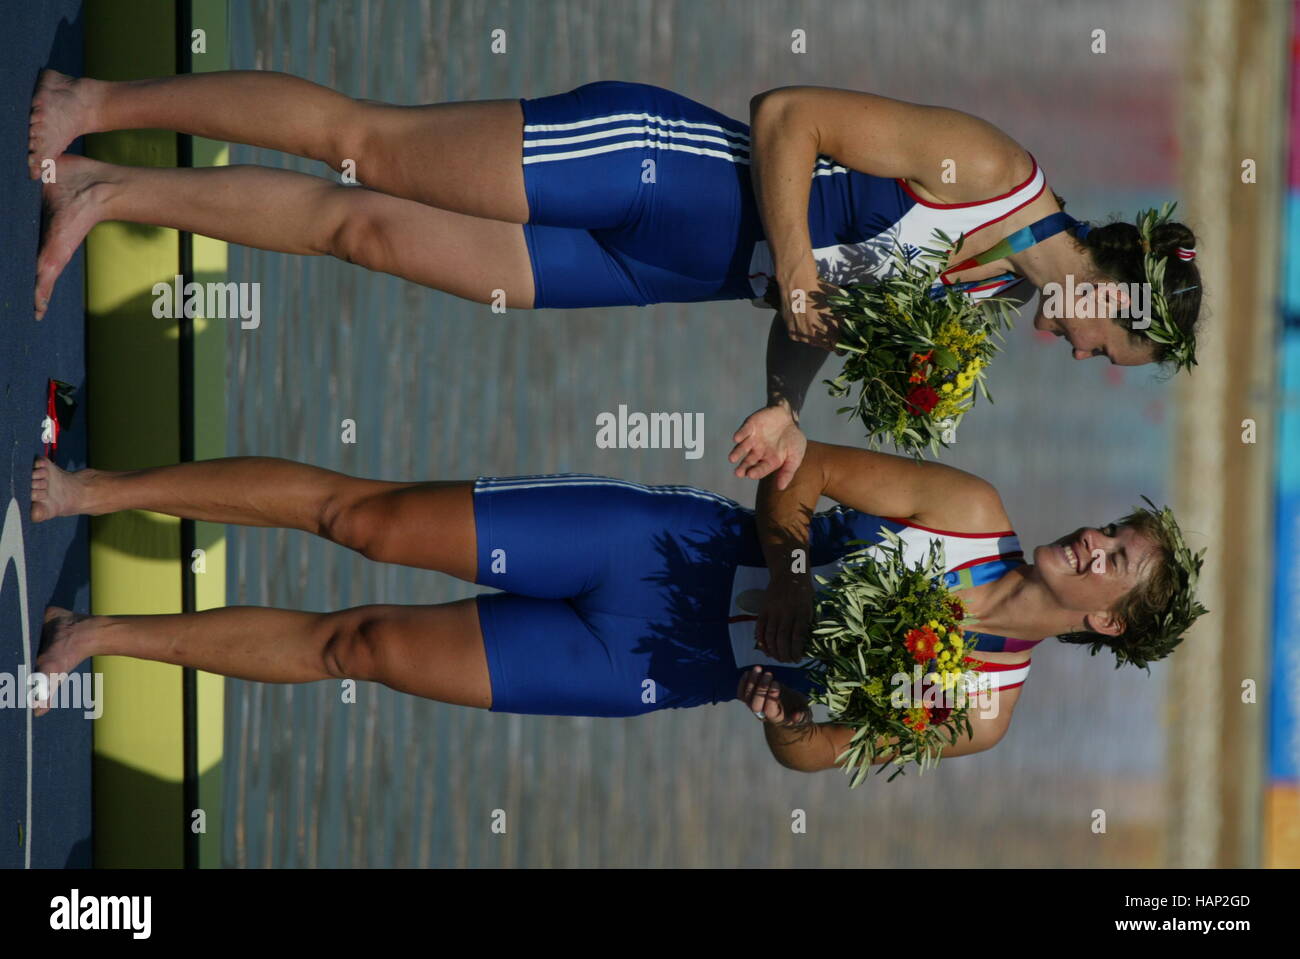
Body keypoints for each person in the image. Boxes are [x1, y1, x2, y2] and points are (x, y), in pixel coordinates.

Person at [28, 73, 1201, 469]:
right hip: (656, 170)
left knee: (367, 234)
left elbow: (819, 311)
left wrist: (784, 406)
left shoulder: (995, 294)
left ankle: (116, 194)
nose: (1096, 355)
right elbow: (789, 115)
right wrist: (794, 262)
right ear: (1116, 282)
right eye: (1120, 340)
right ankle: (100, 105)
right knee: (368, 144)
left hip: (664, 273)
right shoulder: (990, 171)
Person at [28, 444, 1203, 773]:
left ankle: (105, 636)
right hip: (654, 545)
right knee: (364, 516)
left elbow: (815, 752)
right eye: (1115, 528)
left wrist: (770, 706)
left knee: (366, 646)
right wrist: (791, 575)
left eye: (1116, 562)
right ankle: (96, 488)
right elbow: (802, 477)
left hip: (652, 659)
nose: (1094, 538)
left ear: (1104, 622)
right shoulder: (968, 503)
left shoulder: (979, 709)